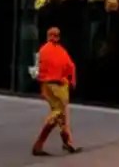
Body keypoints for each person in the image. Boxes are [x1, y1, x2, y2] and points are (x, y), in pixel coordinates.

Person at [32, 27, 82, 156]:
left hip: (48, 86)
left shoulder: (42, 50)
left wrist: (41, 84)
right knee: (58, 113)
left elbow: (35, 71)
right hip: (58, 86)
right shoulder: (60, 51)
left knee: (61, 116)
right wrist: (72, 81)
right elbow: (71, 66)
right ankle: (38, 144)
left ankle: (68, 143)